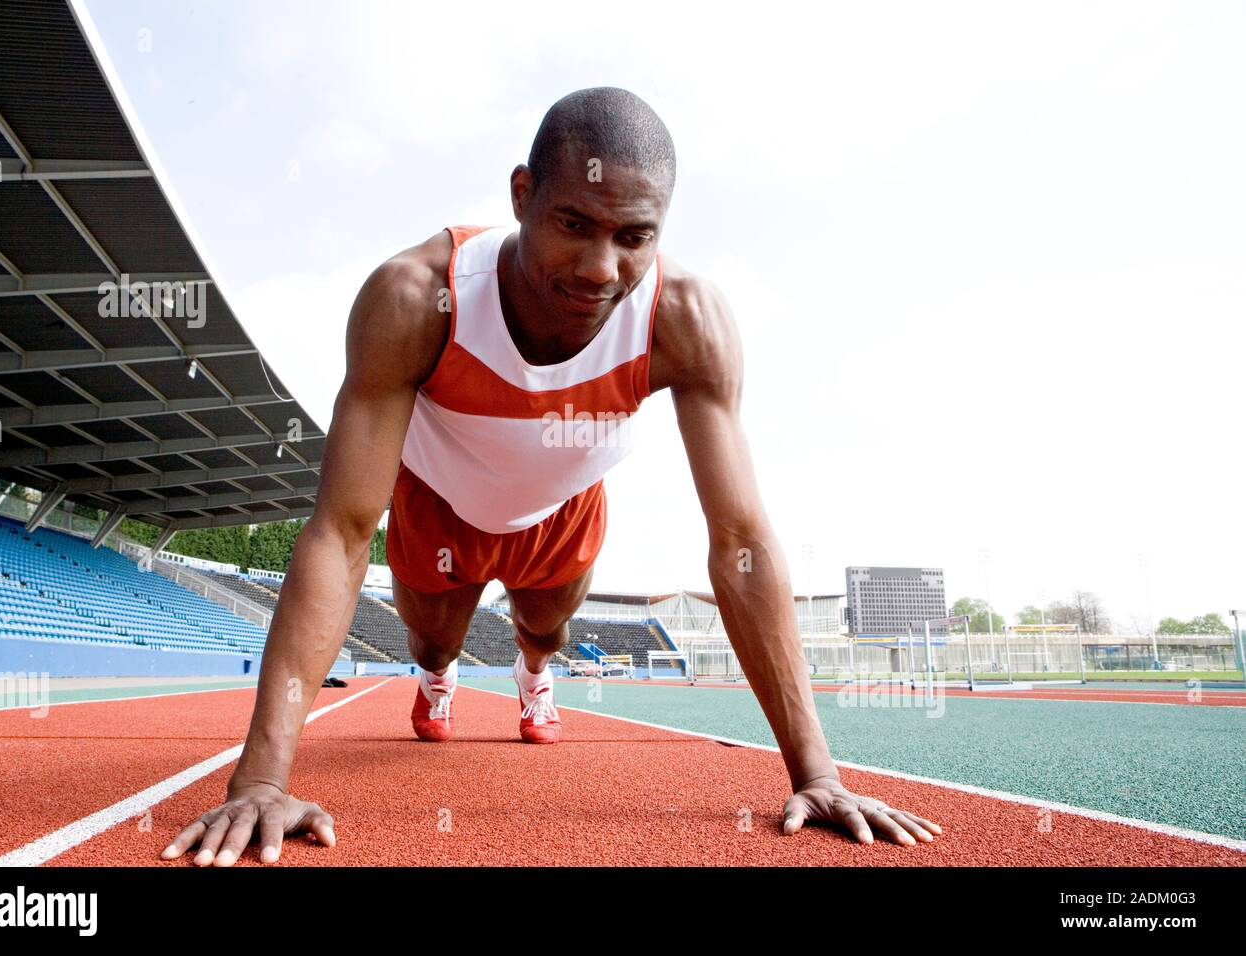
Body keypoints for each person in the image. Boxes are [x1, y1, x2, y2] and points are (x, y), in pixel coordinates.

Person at [161, 87, 942, 867]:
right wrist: (260, 780)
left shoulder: (687, 318)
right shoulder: (414, 298)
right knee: (433, 641)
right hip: (437, 507)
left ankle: (535, 676)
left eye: (635, 237)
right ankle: (438, 681)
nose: (602, 269)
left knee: (548, 630)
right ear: (522, 195)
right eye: (575, 225)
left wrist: (818, 774)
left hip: (561, 511)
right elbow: (340, 532)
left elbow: (740, 537)